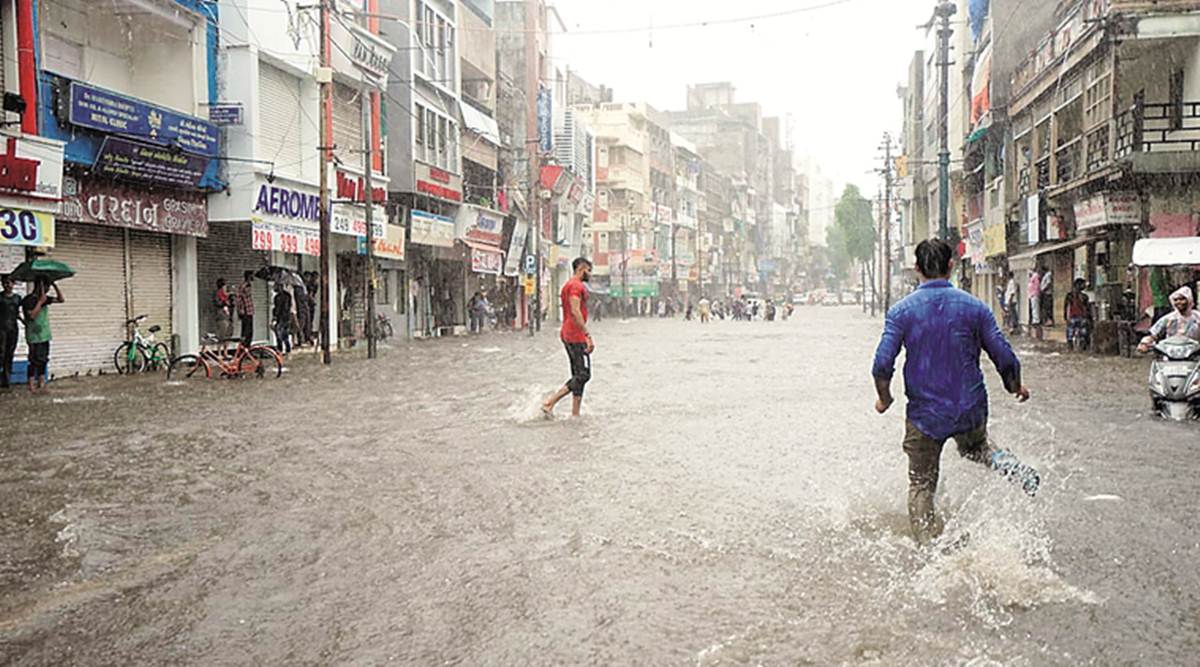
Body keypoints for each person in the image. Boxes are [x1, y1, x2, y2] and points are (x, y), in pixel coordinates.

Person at [872, 239, 1035, 546]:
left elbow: (882, 363)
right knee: (978, 450)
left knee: (921, 483)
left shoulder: (901, 312)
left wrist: (885, 398)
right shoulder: (975, 308)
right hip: (969, 408)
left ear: (917, 269)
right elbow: (1004, 355)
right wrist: (1015, 387)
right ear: (951, 266)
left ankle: (927, 550)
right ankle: (1014, 469)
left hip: (924, 416)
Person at [542, 258, 594, 418]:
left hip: (568, 334)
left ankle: (575, 414)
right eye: (589, 271)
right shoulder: (575, 286)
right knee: (584, 374)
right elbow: (575, 310)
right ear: (582, 269)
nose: (590, 275)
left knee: (577, 375)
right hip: (575, 335)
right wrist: (587, 334)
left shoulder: (568, 285)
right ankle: (550, 402)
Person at [22, 279, 64, 394]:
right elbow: (31, 316)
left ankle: (42, 382)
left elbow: (61, 300)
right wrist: (40, 302)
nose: (47, 290)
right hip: (34, 335)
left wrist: (55, 286)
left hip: (44, 334)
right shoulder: (29, 300)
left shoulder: (45, 299)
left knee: (43, 360)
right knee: (34, 360)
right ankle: (31, 384)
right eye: (45, 287)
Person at [1138, 286, 1200, 352]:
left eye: (1182, 299)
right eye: (1176, 300)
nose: (1178, 302)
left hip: (1193, 354)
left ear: (1189, 300)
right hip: (1170, 353)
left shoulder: (1197, 317)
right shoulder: (1168, 318)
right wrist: (1144, 343)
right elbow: (1154, 334)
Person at [0, 275, 22, 389]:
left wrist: (25, 322)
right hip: (1, 329)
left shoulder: (17, 298)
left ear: (13, 284)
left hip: (13, 328)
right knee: (1, 353)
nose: (7, 285)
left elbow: (18, 313)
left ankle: (6, 380)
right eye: (5, 283)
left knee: (9, 354)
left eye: (9, 283)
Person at [1064, 278, 1092, 351]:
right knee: (1084, 333)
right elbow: (1087, 309)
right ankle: (1083, 346)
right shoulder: (1084, 296)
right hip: (1082, 318)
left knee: (1070, 334)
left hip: (1072, 318)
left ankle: (1070, 346)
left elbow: (1066, 307)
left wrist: (1066, 318)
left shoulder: (1069, 295)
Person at [272, 282, 293, 355]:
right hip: (282, 317)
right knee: (283, 333)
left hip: (284, 317)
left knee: (280, 333)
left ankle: (282, 348)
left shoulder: (285, 296)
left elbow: (285, 307)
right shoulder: (278, 297)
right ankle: (286, 348)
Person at [236, 270, 255, 345]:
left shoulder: (248, 285)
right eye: (252, 276)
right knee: (246, 331)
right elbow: (239, 298)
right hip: (246, 311)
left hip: (249, 311)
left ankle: (247, 347)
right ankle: (244, 347)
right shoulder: (244, 286)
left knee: (249, 331)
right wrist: (240, 310)